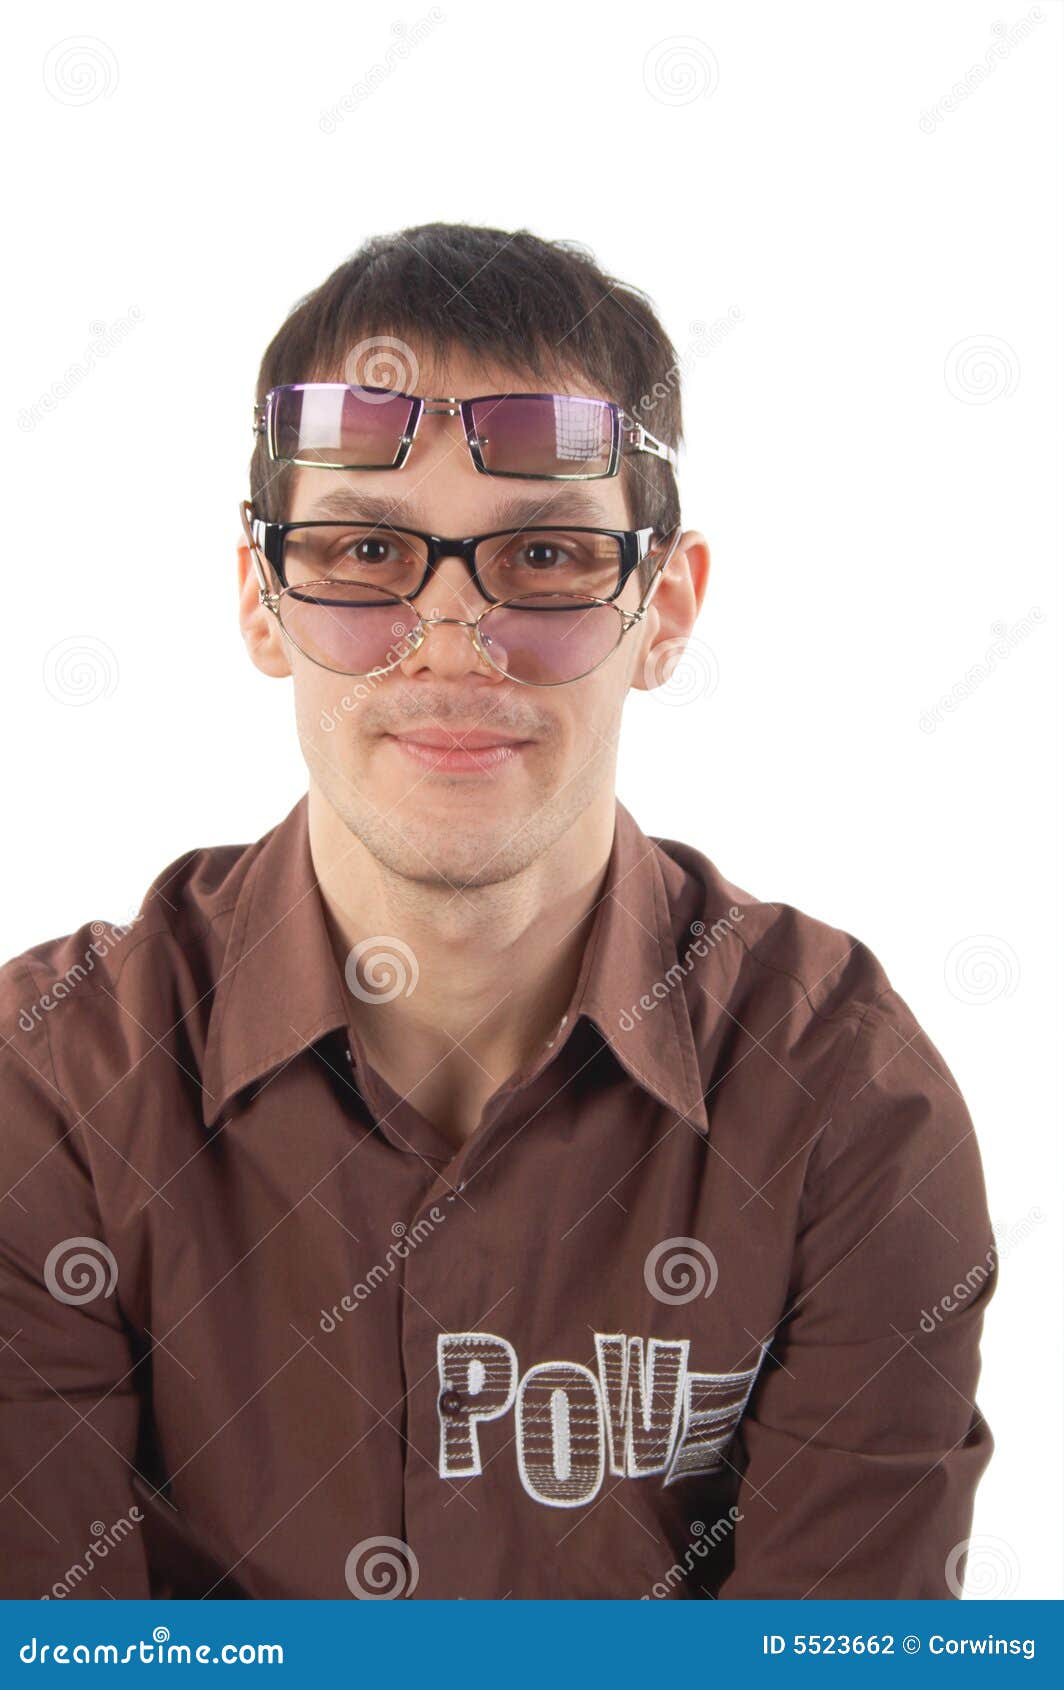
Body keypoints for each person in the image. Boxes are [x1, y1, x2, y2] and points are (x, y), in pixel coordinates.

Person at [0, 223, 995, 1601]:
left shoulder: (842, 1100)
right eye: (364, 549)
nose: (455, 639)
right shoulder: (49, 1087)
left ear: (666, 607)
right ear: (261, 603)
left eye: (544, 555)